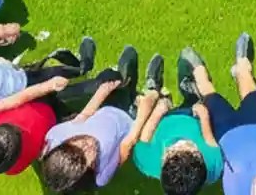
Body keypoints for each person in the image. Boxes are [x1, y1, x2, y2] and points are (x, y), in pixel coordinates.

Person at [0, 46, 140, 178]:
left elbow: (15, 99)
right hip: (59, 121)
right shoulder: (14, 167)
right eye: (18, 136)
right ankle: (124, 86)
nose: (21, 130)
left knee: (76, 84)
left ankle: (83, 66)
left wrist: (47, 87)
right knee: (94, 93)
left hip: (39, 99)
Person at [38, 54, 168, 193]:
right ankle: (153, 85)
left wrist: (103, 91)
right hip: (130, 119)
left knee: (127, 70)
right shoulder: (101, 176)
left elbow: (82, 117)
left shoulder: (58, 135)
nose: (89, 144)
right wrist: (142, 113)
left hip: (108, 108)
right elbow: (126, 146)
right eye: (90, 159)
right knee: (147, 101)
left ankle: (129, 82)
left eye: (78, 144)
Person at [189, 34, 256, 195]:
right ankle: (242, 67)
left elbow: (220, 164)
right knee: (251, 93)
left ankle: (199, 74)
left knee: (211, 98)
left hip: (226, 134)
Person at [130, 46, 223, 195]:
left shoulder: (147, 162)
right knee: (193, 100)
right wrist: (204, 116)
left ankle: (155, 88)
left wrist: (159, 112)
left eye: (173, 151)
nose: (181, 143)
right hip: (192, 117)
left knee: (147, 106)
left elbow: (145, 136)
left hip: (164, 121)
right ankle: (189, 89)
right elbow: (209, 140)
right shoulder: (212, 166)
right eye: (191, 149)